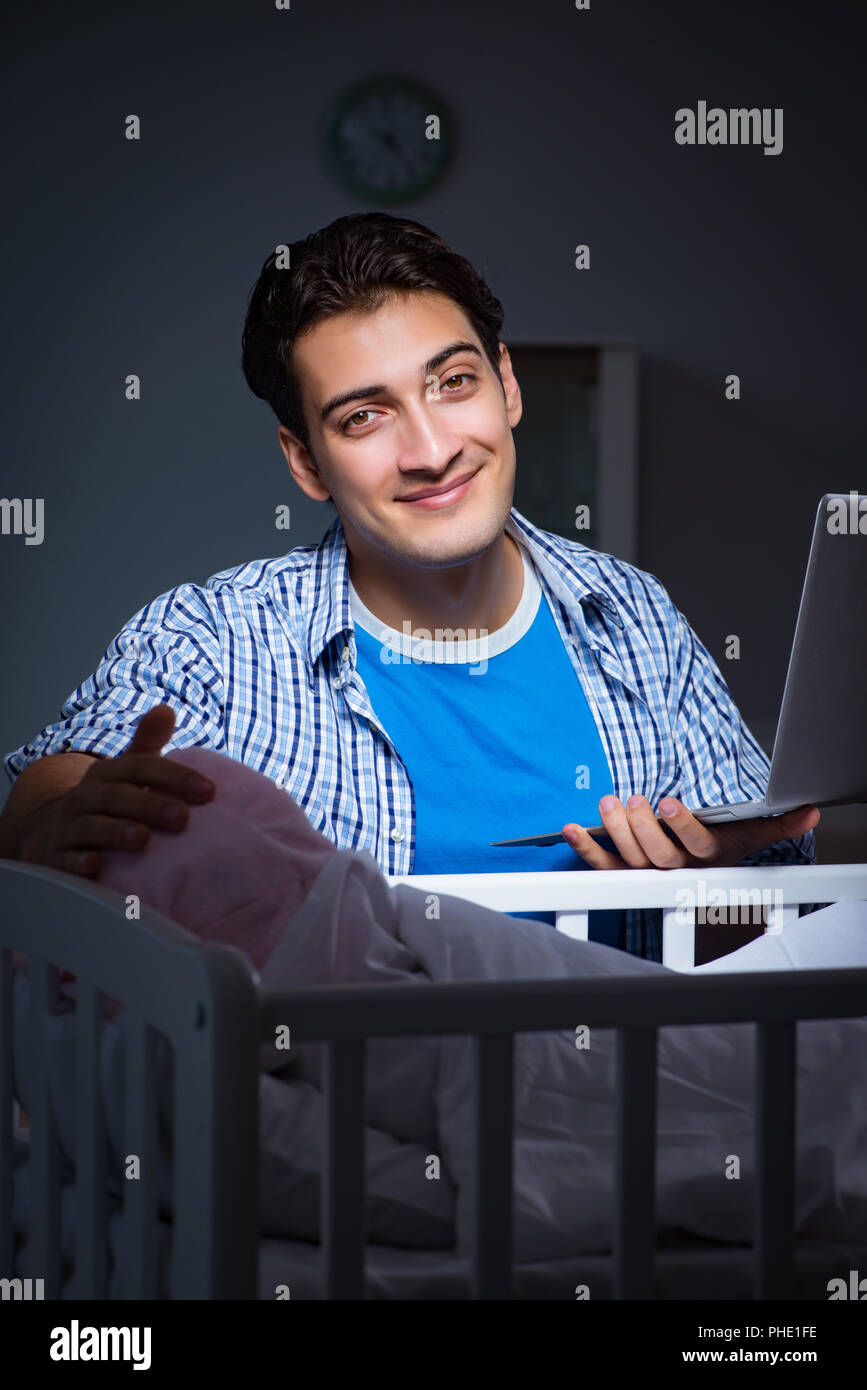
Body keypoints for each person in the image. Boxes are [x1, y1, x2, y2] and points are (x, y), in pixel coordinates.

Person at [0, 213, 817, 962]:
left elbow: (785, 916)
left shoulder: (635, 616)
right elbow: (45, 797)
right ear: (305, 460)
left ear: (507, 383)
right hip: (332, 1117)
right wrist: (59, 821)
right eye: (364, 416)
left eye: (453, 382)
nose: (429, 450)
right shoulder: (211, 636)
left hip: (621, 1110)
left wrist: (706, 888)